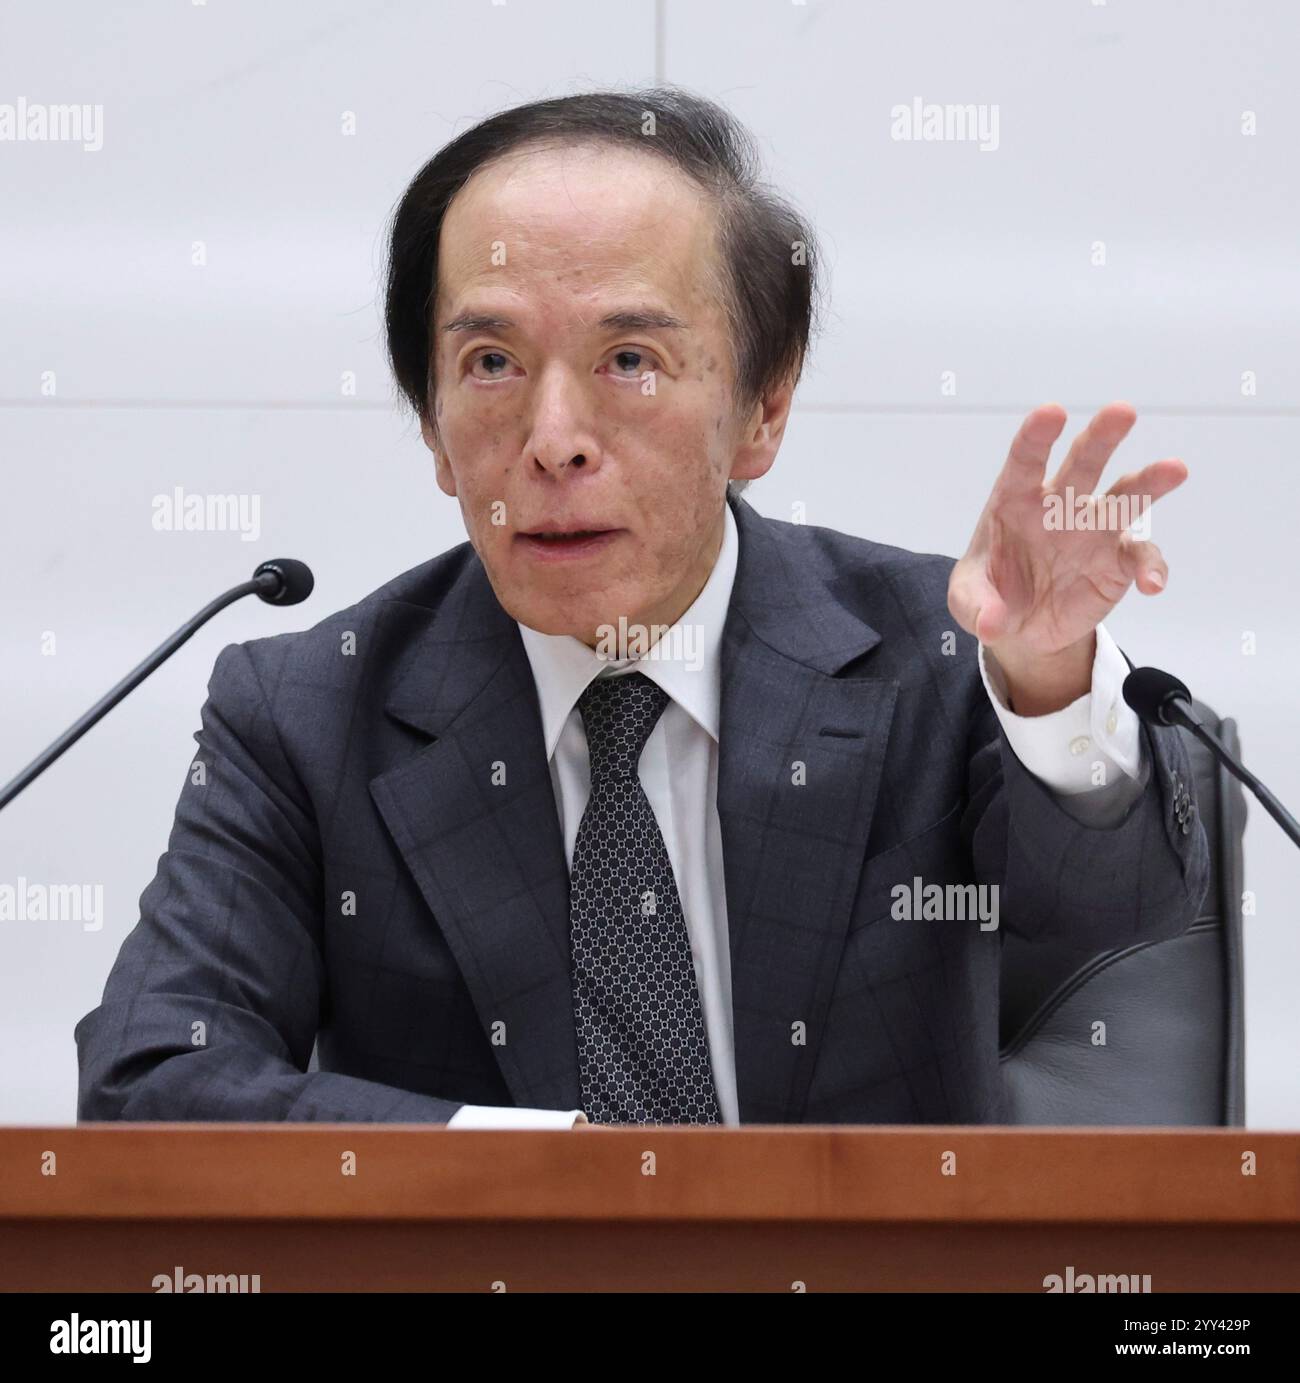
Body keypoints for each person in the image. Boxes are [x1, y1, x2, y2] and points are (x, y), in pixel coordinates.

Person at [75, 88, 1209, 1128]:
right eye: (489, 363)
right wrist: (553, 1179)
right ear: (429, 425)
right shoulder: (306, 714)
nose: (554, 437)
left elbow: (1110, 929)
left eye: (627, 357)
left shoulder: (938, 657)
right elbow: (153, 1081)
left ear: (763, 406)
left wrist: (1051, 682)